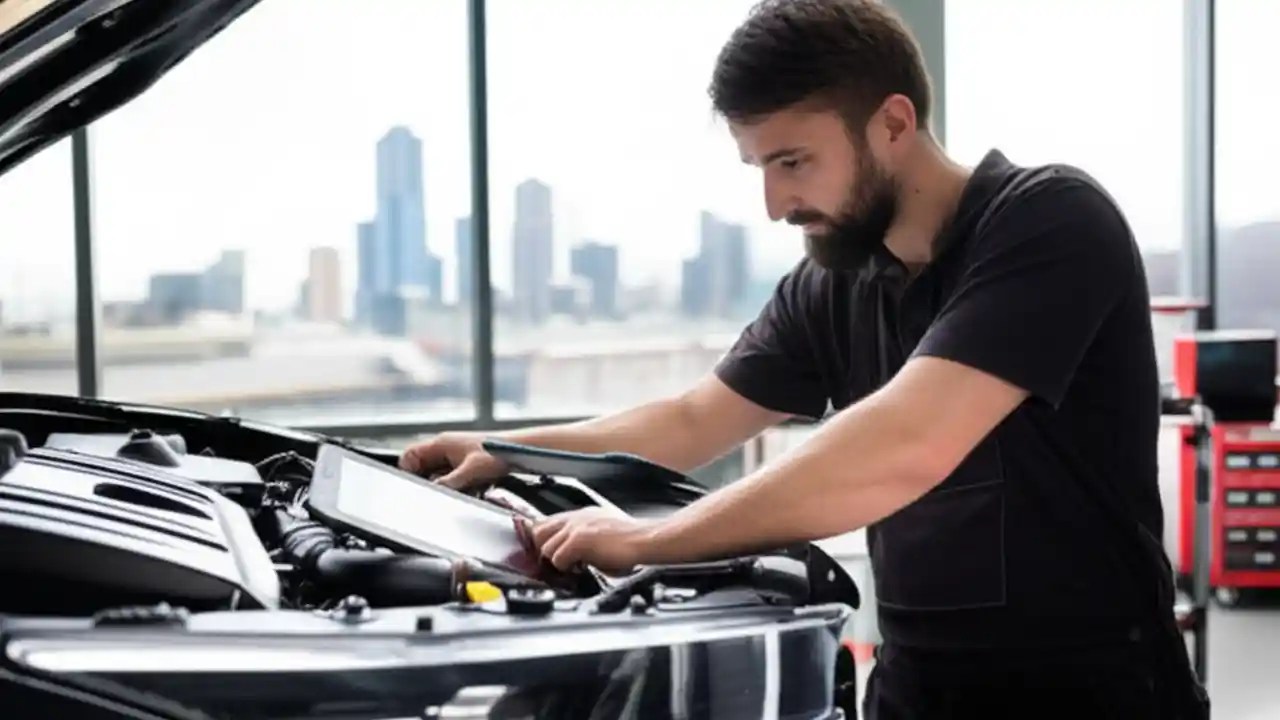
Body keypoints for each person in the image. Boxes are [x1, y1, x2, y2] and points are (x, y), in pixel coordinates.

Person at [401, 1, 1208, 717]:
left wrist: (649, 541)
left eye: (794, 162)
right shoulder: (835, 279)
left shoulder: (1050, 221)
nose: (776, 203)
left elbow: (904, 445)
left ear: (893, 123)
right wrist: (501, 452)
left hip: (1095, 691)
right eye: (761, 168)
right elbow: (692, 420)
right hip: (919, 684)